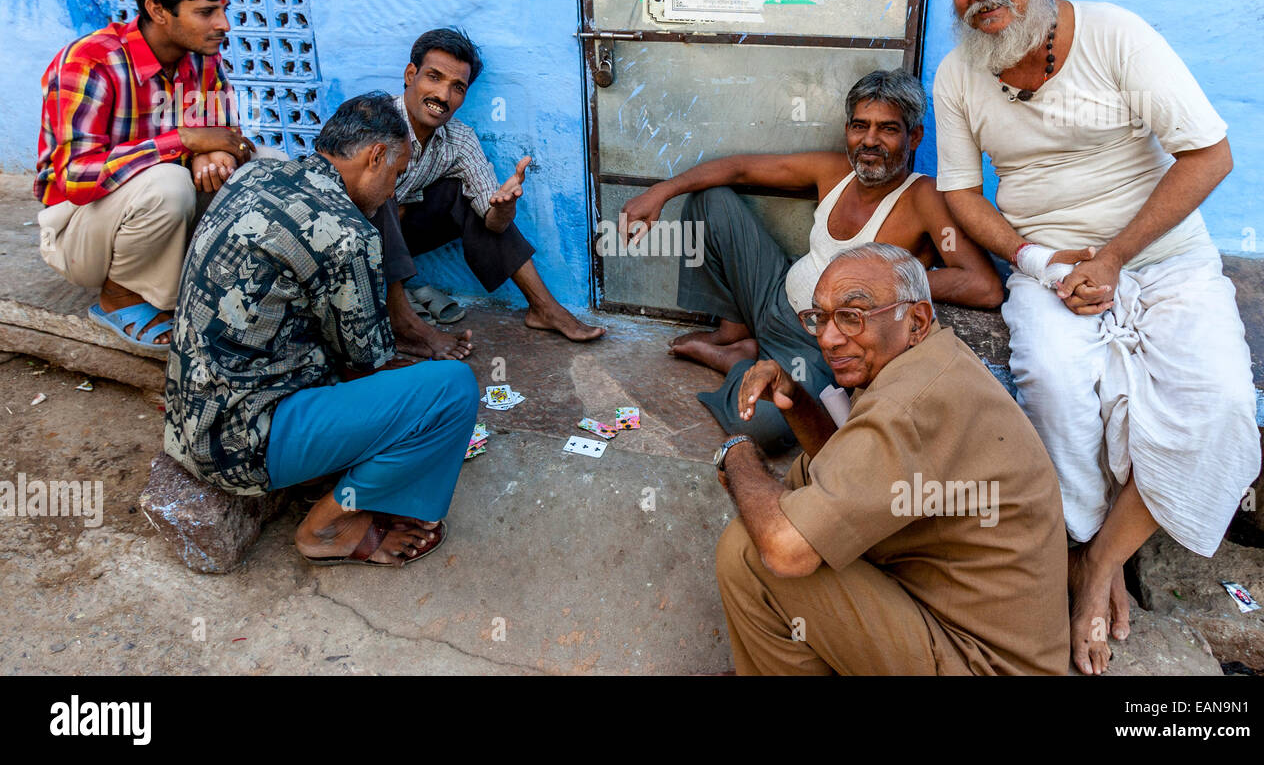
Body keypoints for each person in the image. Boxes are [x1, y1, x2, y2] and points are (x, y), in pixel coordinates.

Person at [932, 0, 1260, 674]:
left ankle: (1099, 566)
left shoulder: (1114, 33)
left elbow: (1209, 156)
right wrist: (1040, 263)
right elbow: (960, 195)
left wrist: (1112, 258)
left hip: (1161, 256)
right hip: (1045, 268)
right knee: (1050, 381)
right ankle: (1078, 541)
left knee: (1222, 402)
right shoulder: (957, 75)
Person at [713, 244, 1068, 674]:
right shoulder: (927, 359)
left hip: (979, 662)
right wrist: (798, 403)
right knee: (804, 491)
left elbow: (786, 549)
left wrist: (738, 454)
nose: (827, 337)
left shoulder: (908, 402)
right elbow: (855, 473)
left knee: (751, 553)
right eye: (819, 318)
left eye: (852, 315)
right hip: (959, 628)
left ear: (916, 319)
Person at [164, 92, 479, 566]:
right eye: (395, 175)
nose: (393, 191)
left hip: (188, 421)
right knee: (451, 391)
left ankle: (319, 468)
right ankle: (332, 524)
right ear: (375, 157)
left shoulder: (256, 173)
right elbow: (364, 364)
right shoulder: (346, 232)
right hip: (242, 447)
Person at [621, 69, 1001, 452]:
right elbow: (740, 168)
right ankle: (735, 334)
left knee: (757, 424)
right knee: (710, 199)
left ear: (913, 136)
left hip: (816, 344)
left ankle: (736, 363)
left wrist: (885, 288)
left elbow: (984, 286)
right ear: (847, 130)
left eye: (887, 129)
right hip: (774, 292)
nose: (870, 141)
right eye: (859, 126)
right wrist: (662, 191)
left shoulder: (923, 197)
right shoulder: (833, 171)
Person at [33, 0, 253, 350]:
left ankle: (210, 286)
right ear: (157, 10)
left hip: (148, 218)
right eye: (206, 12)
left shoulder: (202, 56)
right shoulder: (90, 62)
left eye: (223, 10)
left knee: (263, 167)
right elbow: (75, 179)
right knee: (167, 184)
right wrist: (184, 141)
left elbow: (225, 133)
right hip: (76, 230)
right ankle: (118, 297)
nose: (223, 25)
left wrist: (217, 150)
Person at [375, 28, 604, 359]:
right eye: (433, 78)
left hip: (403, 236)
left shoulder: (460, 140)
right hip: (350, 239)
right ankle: (403, 321)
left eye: (457, 87)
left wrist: (503, 208)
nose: (442, 95)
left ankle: (544, 309)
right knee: (383, 195)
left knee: (470, 199)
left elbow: (492, 222)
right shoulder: (374, 120)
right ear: (411, 75)